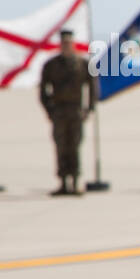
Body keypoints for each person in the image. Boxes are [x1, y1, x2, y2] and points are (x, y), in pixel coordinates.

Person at [39, 29, 95, 196]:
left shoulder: (83, 64)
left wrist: (88, 108)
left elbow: (92, 88)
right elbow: (43, 89)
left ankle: (75, 181)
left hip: (76, 110)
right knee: (61, 146)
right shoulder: (51, 65)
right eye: (63, 43)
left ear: (73, 44)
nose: (66, 46)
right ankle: (63, 182)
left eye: (68, 43)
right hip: (59, 111)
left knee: (75, 146)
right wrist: (49, 109)